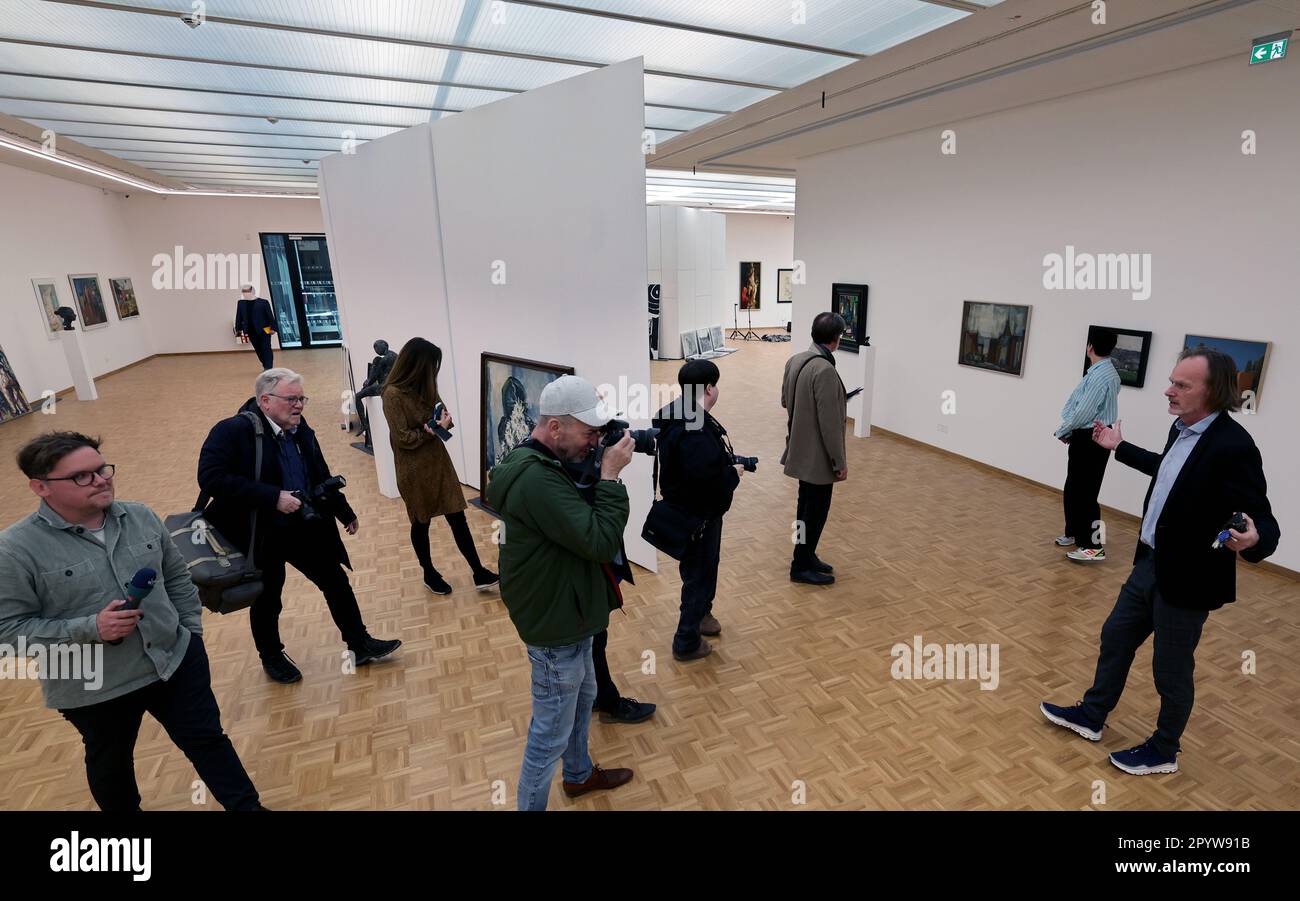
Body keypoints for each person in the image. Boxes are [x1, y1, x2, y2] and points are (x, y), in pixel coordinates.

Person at [1040, 348, 1279, 775]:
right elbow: (1169, 470)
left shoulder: (1233, 445)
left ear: (1213, 391)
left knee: (1170, 668)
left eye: (1181, 385)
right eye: (1172, 381)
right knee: (1115, 637)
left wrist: (1257, 537)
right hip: (1150, 561)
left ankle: (1165, 749)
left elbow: (1262, 515)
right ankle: (1093, 716)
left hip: (1190, 577)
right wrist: (1119, 446)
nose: (1168, 390)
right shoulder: (1181, 428)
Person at [0, 432, 263, 810]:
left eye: (102, 469)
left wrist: (190, 632)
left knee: (208, 741)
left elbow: (177, 577)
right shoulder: (14, 550)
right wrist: (91, 627)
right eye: (82, 476)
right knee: (112, 765)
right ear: (40, 487)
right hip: (94, 686)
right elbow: (8, 634)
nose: (102, 479)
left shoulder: (139, 515)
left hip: (174, 660)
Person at [485, 375, 637, 809]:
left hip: (568, 606)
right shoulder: (536, 480)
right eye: (588, 432)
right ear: (555, 429)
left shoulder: (543, 462)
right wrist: (609, 474)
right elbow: (597, 540)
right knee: (550, 729)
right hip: (556, 622)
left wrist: (596, 464)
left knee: (584, 696)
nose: (594, 441)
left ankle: (578, 775)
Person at [198, 368, 401, 683]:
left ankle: (359, 644)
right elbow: (210, 478)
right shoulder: (232, 431)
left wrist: (343, 511)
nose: (299, 405)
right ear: (265, 400)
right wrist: (272, 497)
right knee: (268, 597)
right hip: (260, 533)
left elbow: (319, 471)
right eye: (291, 399)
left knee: (335, 581)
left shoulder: (299, 427)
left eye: (301, 398)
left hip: (304, 526)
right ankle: (272, 657)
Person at [382, 338, 498, 595]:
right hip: (413, 469)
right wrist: (432, 431)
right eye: (431, 365)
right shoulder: (392, 394)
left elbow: (442, 421)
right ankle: (428, 572)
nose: (434, 371)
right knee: (420, 522)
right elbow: (404, 439)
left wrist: (442, 424)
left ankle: (478, 571)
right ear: (415, 364)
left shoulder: (426, 387)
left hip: (438, 462)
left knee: (458, 516)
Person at [652, 359, 743, 661]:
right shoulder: (695, 428)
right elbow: (704, 480)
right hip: (698, 513)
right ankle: (686, 640)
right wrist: (733, 474)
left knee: (699, 568)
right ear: (707, 388)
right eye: (715, 386)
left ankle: (703, 614)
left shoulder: (675, 415)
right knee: (699, 574)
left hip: (686, 511)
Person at [781, 312, 848, 586]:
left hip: (798, 449)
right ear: (836, 339)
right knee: (815, 512)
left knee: (804, 509)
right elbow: (831, 425)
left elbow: (785, 400)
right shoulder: (824, 370)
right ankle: (800, 565)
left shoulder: (795, 360)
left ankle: (806, 555)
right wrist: (839, 462)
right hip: (817, 458)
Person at [1053, 326, 1121, 562]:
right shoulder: (1103, 371)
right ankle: (1074, 532)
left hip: (1094, 437)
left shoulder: (1102, 375)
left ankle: (1093, 547)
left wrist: (1063, 429)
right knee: (1074, 487)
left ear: (1090, 347)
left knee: (1086, 493)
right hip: (1089, 435)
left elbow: (1084, 411)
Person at [233, 284, 277, 370]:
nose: (245, 293)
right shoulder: (241, 303)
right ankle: (265, 364)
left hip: (265, 329)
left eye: (247, 291)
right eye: (244, 291)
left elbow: (270, 316)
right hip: (250, 330)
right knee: (258, 349)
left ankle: (269, 367)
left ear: (252, 291)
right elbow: (239, 316)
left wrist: (273, 328)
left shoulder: (264, 302)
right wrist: (238, 330)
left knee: (266, 348)